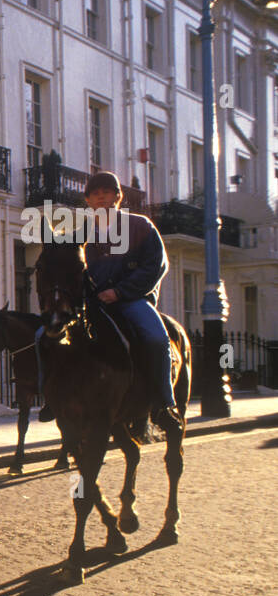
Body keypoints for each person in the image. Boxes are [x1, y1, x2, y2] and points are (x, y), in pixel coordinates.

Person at [81, 171, 180, 427]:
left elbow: (155, 265)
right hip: (95, 303)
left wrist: (119, 292)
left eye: (106, 192)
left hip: (132, 300)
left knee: (157, 339)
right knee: (43, 336)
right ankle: (53, 400)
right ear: (88, 200)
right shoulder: (82, 232)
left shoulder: (140, 226)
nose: (101, 196)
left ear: (117, 196)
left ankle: (164, 403)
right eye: (95, 193)